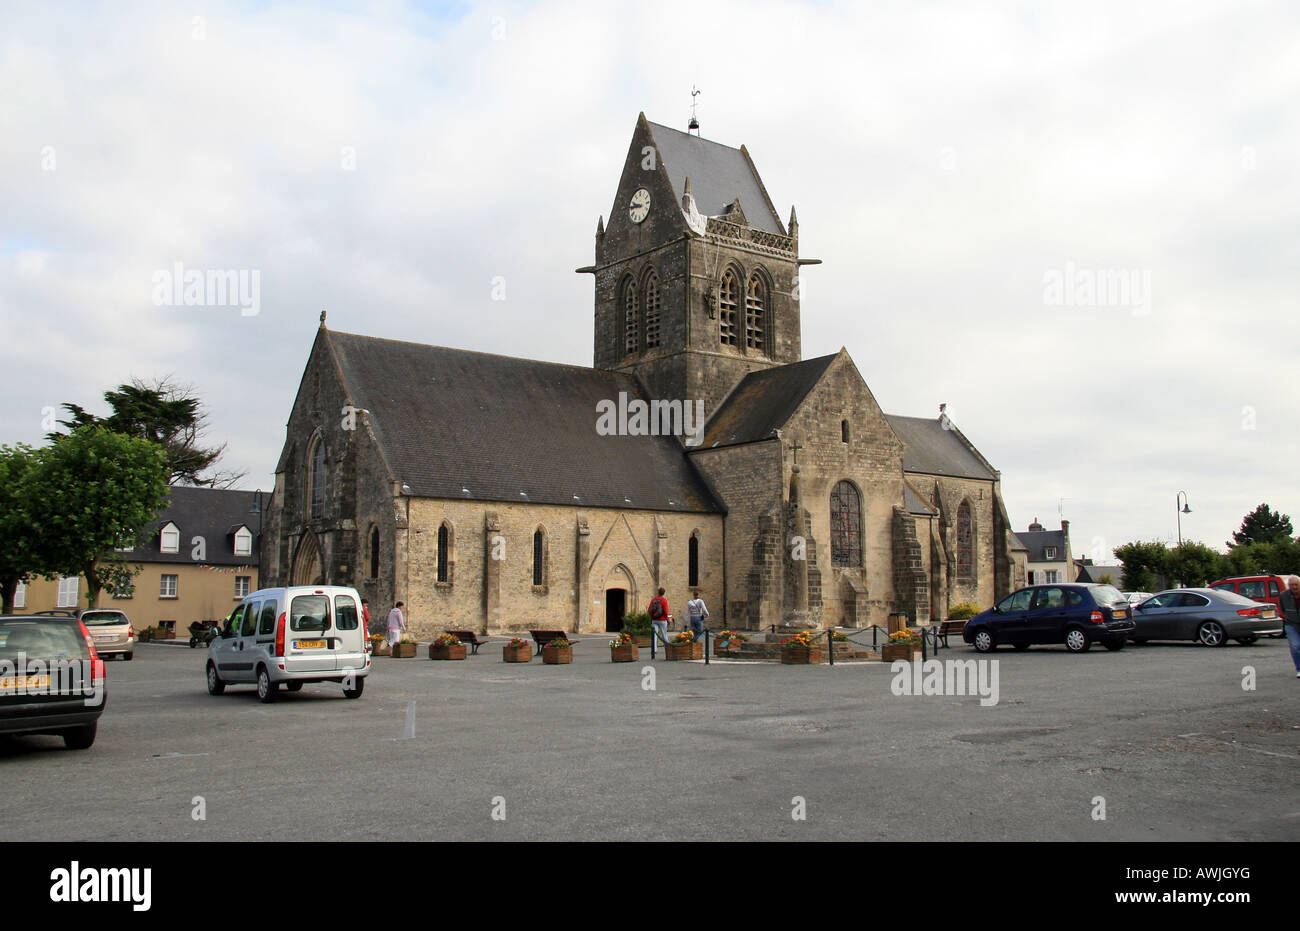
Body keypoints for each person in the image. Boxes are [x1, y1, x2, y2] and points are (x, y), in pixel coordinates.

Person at [1280, 576, 1300, 678]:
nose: (1294, 587)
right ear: (1289, 586)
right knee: (1295, 647)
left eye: (1296, 584)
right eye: (1292, 585)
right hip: (1291, 624)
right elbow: (1283, 609)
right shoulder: (1283, 596)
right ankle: (1299, 669)